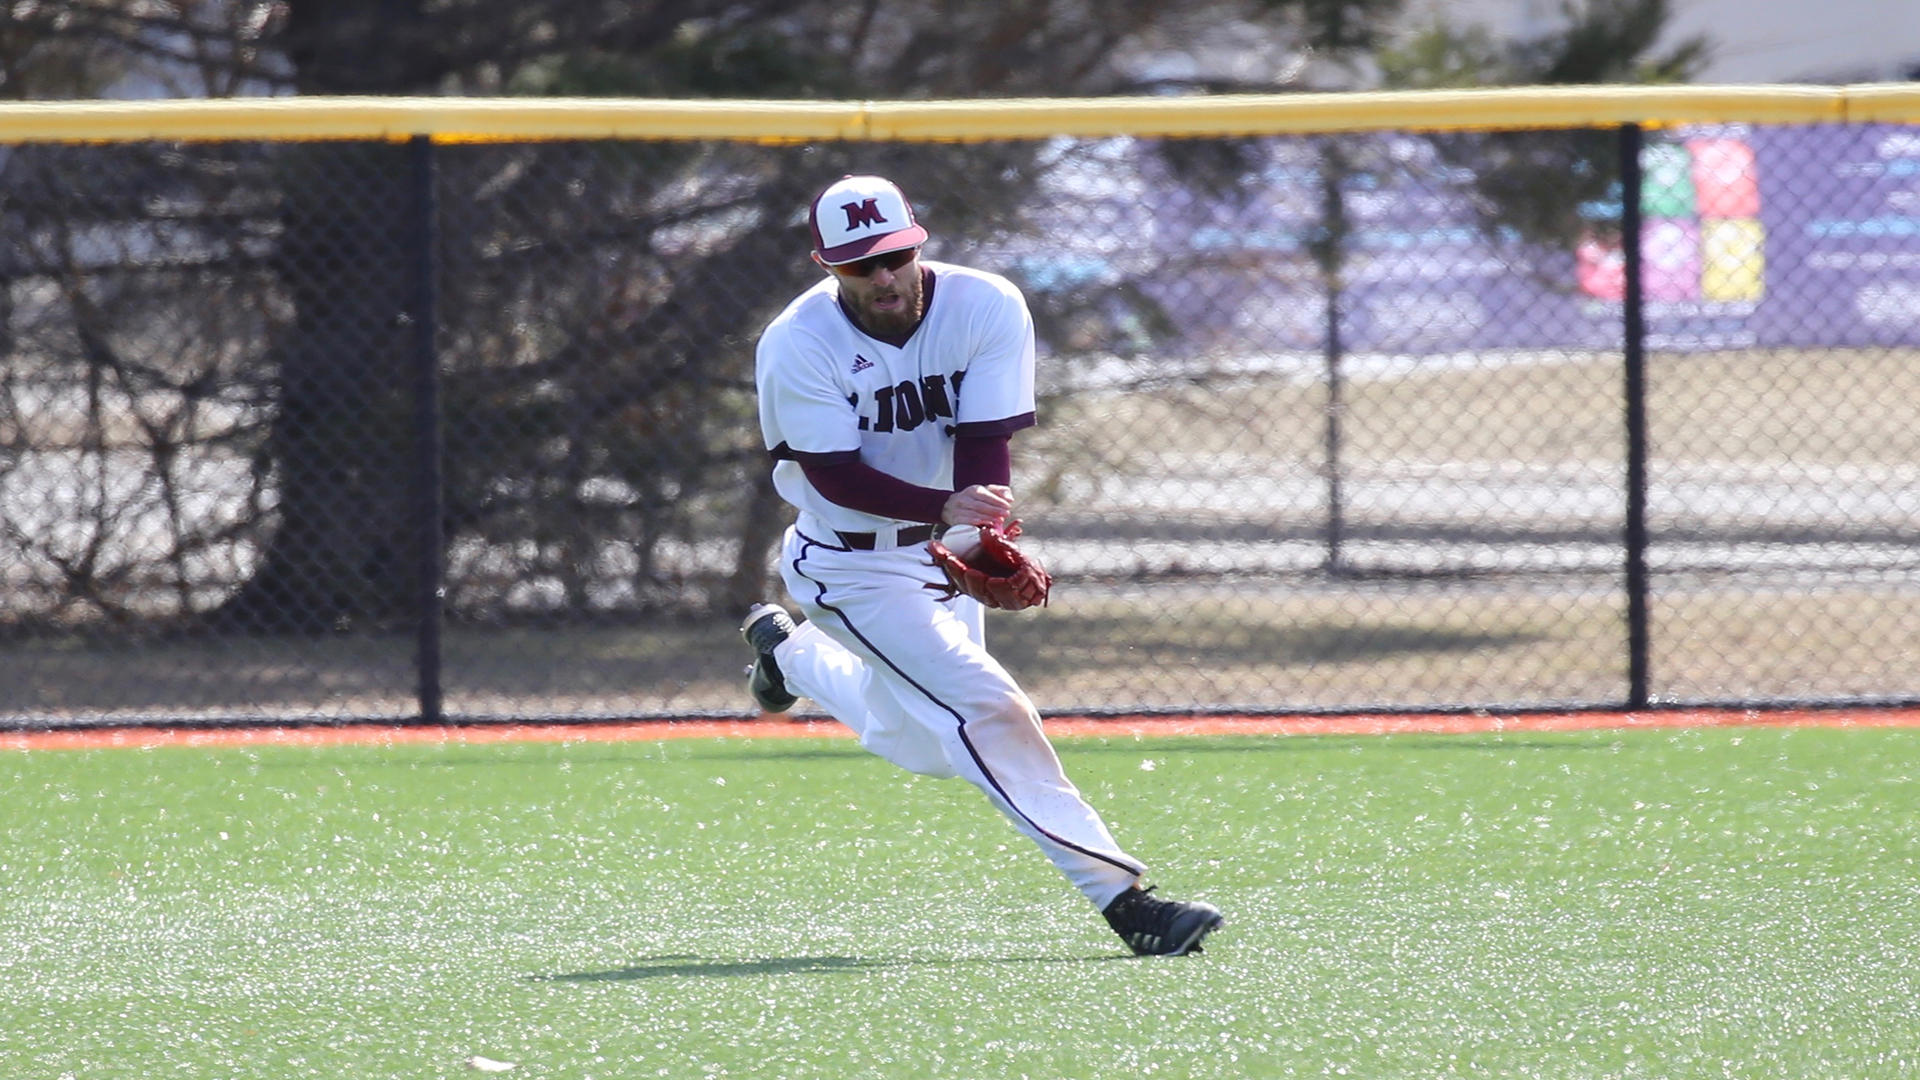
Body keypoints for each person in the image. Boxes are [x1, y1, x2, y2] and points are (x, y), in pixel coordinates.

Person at [739, 174, 1223, 957]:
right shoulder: (797, 342)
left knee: (922, 740)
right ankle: (1127, 903)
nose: (883, 276)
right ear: (828, 267)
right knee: (992, 710)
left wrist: (976, 529)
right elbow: (835, 476)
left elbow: (983, 446)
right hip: (848, 565)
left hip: (935, 551)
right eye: (861, 265)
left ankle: (788, 657)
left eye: (895, 255)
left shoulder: (986, 305)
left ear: (917, 242)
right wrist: (944, 513)